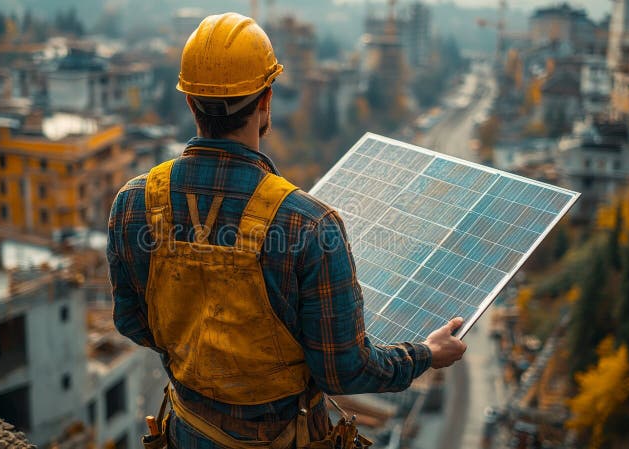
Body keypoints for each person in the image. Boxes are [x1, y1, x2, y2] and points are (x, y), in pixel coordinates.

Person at [107, 12, 467, 449]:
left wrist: (203, 355)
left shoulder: (133, 203)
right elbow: (344, 370)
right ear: (266, 100)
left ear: (189, 102)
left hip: (186, 432)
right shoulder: (308, 224)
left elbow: (132, 322)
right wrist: (426, 354)